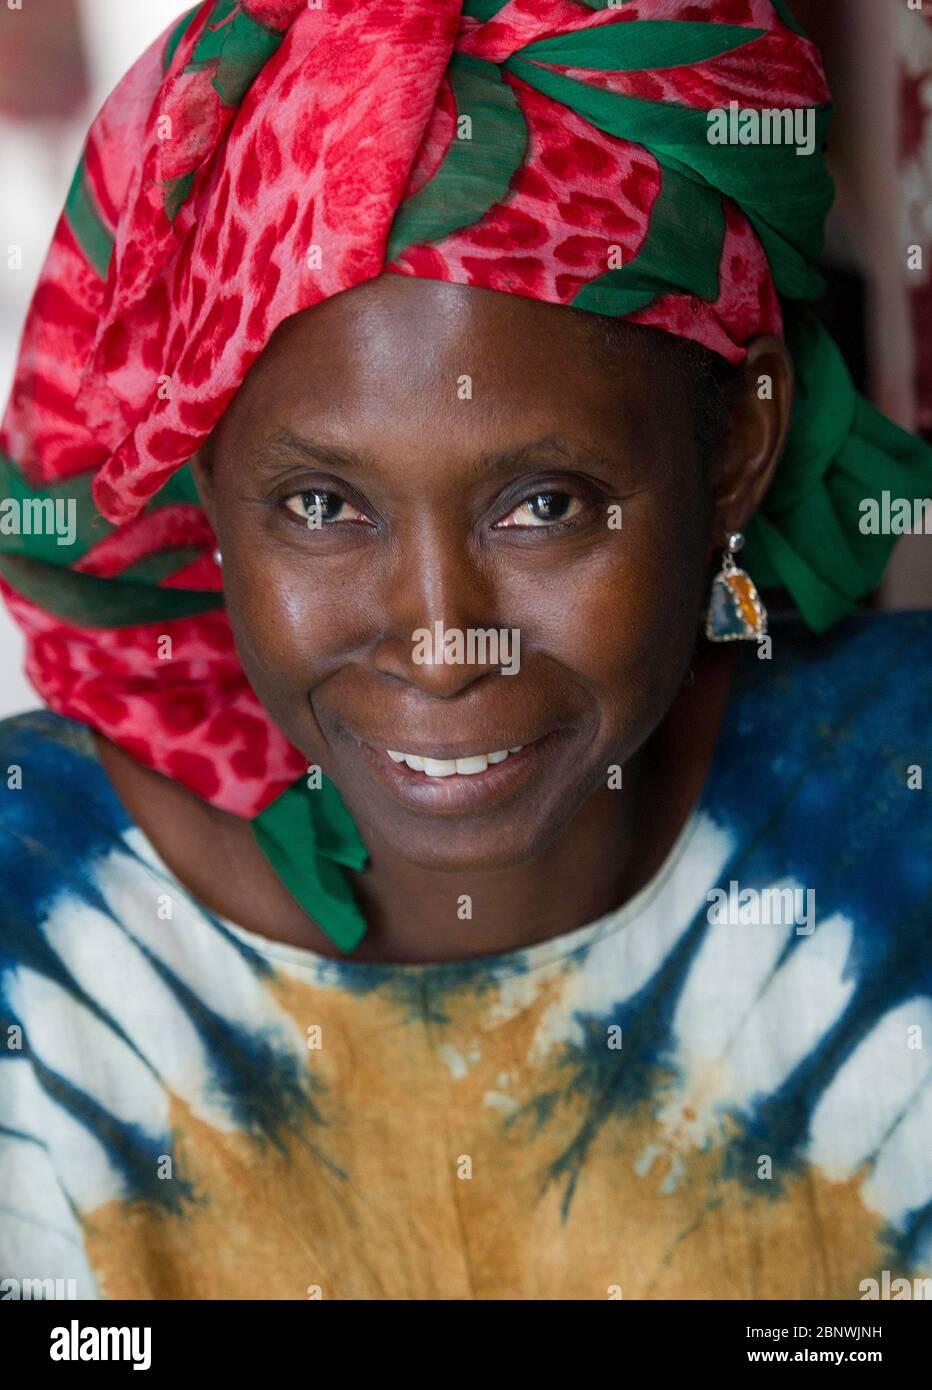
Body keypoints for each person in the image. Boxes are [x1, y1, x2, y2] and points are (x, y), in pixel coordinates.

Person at [0, 0, 930, 1301]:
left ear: (735, 451)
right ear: (205, 481)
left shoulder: (902, 801)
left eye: (541, 505)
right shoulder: (26, 907)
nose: (440, 646)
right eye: (323, 508)